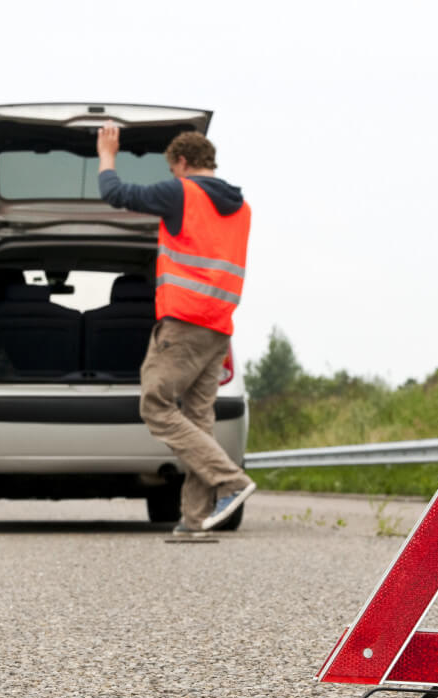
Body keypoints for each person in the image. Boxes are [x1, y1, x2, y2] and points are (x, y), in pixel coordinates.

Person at [96, 121, 256, 536]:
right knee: (198, 417)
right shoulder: (240, 207)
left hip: (183, 322)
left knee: (155, 405)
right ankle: (195, 518)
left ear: (181, 163)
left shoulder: (181, 192)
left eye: (172, 169)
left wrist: (107, 156)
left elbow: (116, 194)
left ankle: (231, 480)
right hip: (218, 326)